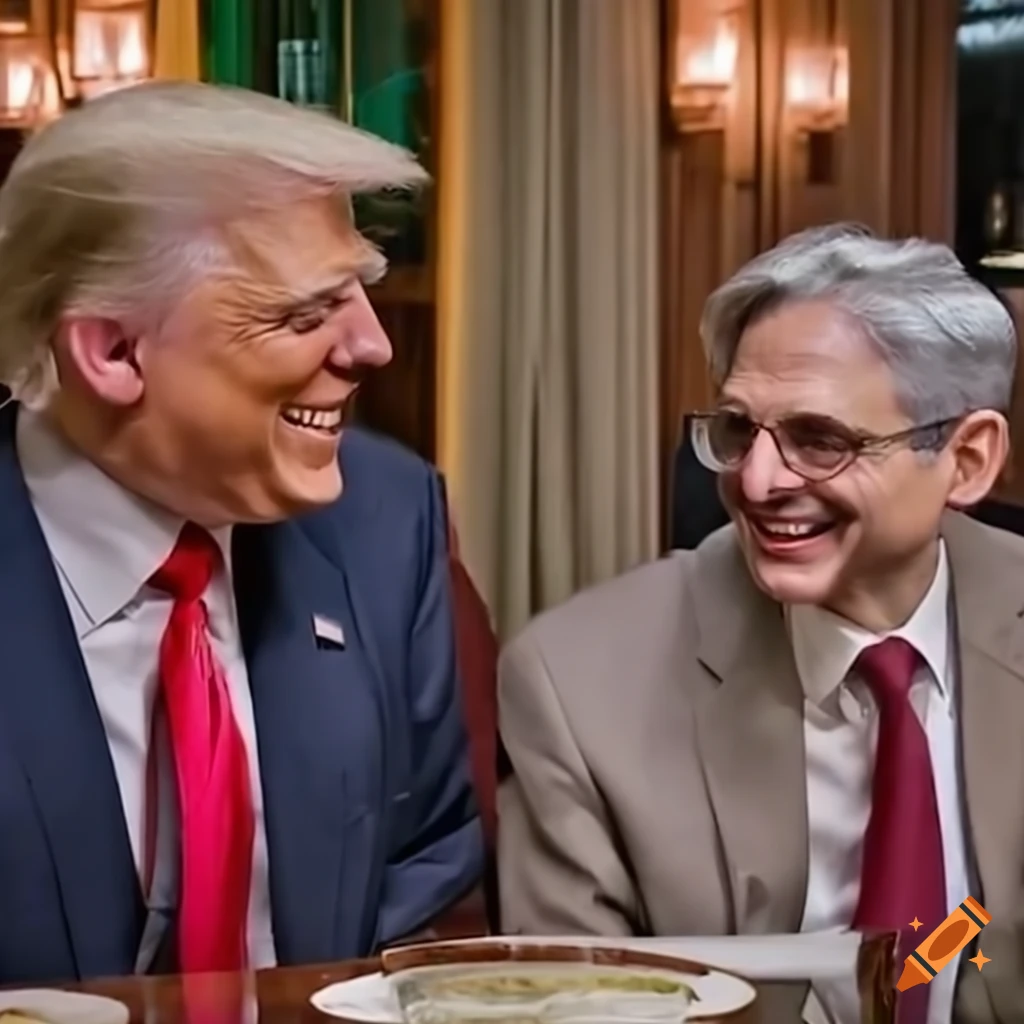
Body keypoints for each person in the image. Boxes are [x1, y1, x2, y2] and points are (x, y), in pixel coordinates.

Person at [0, 81, 483, 984]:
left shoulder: (384, 520)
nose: (370, 345)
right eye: (304, 313)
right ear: (111, 352)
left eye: (359, 292)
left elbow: (429, 881)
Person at [498, 224, 1023, 1022]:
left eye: (821, 440)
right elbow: (572, 1006)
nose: (758, 479)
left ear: (969, 460)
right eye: (740, 430)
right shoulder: (575, 684)